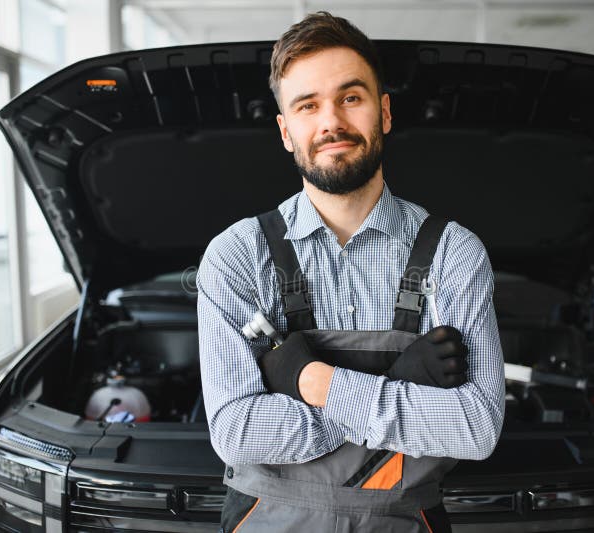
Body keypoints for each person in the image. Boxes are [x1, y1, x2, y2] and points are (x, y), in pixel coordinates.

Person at [197, 11, 505, 533]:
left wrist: (312, 380)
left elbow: (475, 427)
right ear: (285, 130)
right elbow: (236, 432)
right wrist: (396, 384)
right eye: (307, 105)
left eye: (351, 97)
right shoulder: (237, 257)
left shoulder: (454, 253)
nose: (330, 122)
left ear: (383, 112)